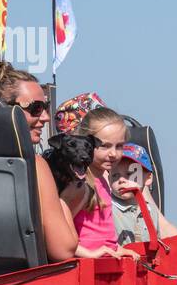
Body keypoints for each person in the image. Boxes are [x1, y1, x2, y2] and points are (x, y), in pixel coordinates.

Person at [0, 59, 78, 262]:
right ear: (4, 109)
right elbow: (63, 250)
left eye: (45, 107)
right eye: (36, 108)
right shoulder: (33, 165)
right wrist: (65, 203)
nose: (46, 117)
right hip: (15, 283)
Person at [57, 100, 140, 261]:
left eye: (119, 146)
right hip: (84, 265)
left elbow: (100, 232)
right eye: (105, 146)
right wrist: (90, 254)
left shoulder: (103, 177)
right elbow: (61, 233)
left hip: (103, 260)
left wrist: (117, 248)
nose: (113, 154)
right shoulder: (81, 185)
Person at [108, 143, 177, 244]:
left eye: (130, 173)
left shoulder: (151, 210)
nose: (121, 180)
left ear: (148, 178)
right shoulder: (107, 208)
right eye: (115, 175)